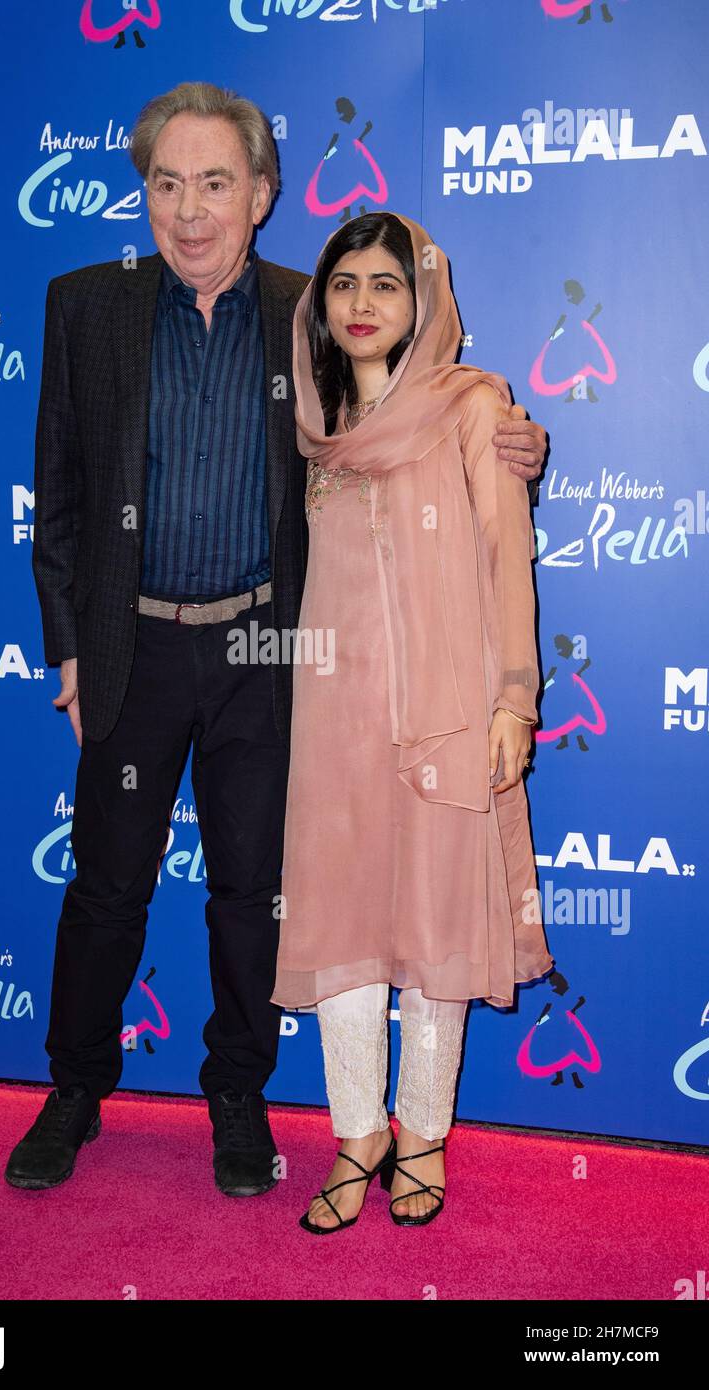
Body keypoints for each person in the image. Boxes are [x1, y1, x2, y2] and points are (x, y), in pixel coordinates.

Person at [5, 82, 547, 1200]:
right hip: (132, 648)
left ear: (261, 194)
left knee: (252, 892)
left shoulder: (313, 308)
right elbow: (55, 493)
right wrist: (67, 643)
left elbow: (419, 404)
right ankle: (72, 1089)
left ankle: (239, 1099)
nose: (190, 210)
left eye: (215, 183)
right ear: (143, 195)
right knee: (107, 886)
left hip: (265, 651)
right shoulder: (84, 309)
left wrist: (505, 439)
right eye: (167, 184)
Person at [271, 210, 554, 1232]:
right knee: (341, 931)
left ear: (420, 300)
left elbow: (503, 564)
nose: (361, 304)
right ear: (320, 302)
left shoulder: (473, 409)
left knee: (436, 933)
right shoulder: (314, 430)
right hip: (333, 721)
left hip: (447, 711)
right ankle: (358, 1135)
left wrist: (511, 699)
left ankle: (422, 1133)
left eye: (384, 285)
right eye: (343, 283)